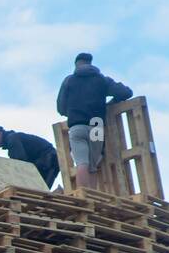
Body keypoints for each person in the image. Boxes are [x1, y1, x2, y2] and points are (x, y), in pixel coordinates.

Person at [56, 52, 133, 189]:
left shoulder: (69, 80)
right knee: (93, 165)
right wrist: (110, 104)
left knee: (81, 163)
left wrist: (74, 111)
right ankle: (93, 194)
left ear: (76, 64)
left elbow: (61, 108)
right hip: (96, 125)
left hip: (77, 126)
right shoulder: (102, 80)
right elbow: (126, 92)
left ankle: (84, 195)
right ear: (90, 63)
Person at [0, 125, 60, 189]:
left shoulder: (12, 139)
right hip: (46, 161)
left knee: (39, 192)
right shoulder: (12, 140)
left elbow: (20, 164)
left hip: (48, 161)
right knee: (37, 192)